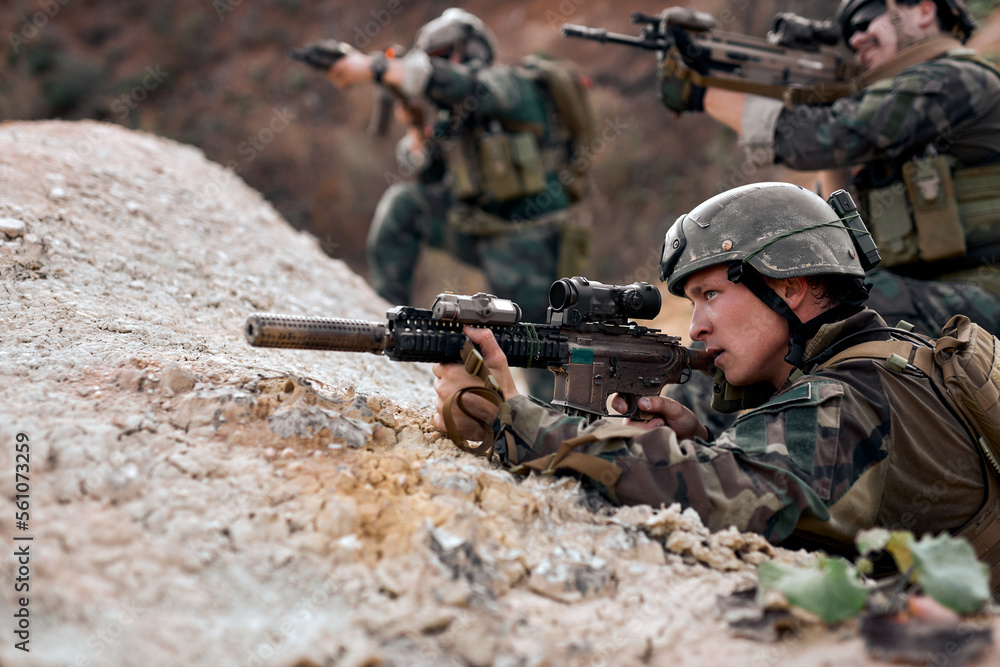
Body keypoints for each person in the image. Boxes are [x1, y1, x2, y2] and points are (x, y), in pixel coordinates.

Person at [431, 182, 1000, 583]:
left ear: (791, 285)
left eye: (710, 295)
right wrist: (698, 441)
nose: (696, 325)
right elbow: (787, 476)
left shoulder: (850, 395)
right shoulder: (888, 358)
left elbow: (723, 496)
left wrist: (511, 416)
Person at [658, 0, 1000, 335]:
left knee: (827, 304)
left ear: (924, 10)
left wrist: (702, 92)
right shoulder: (891, 125)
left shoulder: (959, 77)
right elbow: (831, 233)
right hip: (924, 290)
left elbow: (815, 140)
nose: (856, 38)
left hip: (984, 292)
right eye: (850, 33)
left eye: (866, 19)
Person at [326, 8, 593, 399]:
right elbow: (426, 171)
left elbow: (463, 84)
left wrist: (378, 68)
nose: (438, 64)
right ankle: (390, 326)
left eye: (443, 54)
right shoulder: (457, 115)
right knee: (404, 203)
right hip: (479, 229)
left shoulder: (508, 85)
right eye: (432, 57)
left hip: (531, 242)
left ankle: (548, 423)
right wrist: (415, 127)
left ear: (472, 50)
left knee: (536, 349)